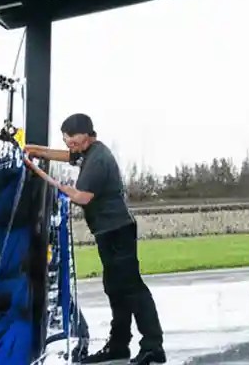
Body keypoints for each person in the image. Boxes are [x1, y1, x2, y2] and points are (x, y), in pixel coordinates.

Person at [24, 113, 166, 364]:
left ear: (87, 135)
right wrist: (35, 150)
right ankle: (119, 345)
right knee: (115, 289)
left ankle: (153, 346)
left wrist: (49, 179)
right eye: (66, 139)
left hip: (117, 232)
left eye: (73, 139)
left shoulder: (98, 159)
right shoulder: (89, 152)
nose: (69, 143)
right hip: (107, 232)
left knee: (132, 288)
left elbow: (82, 197)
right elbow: (66, 156)